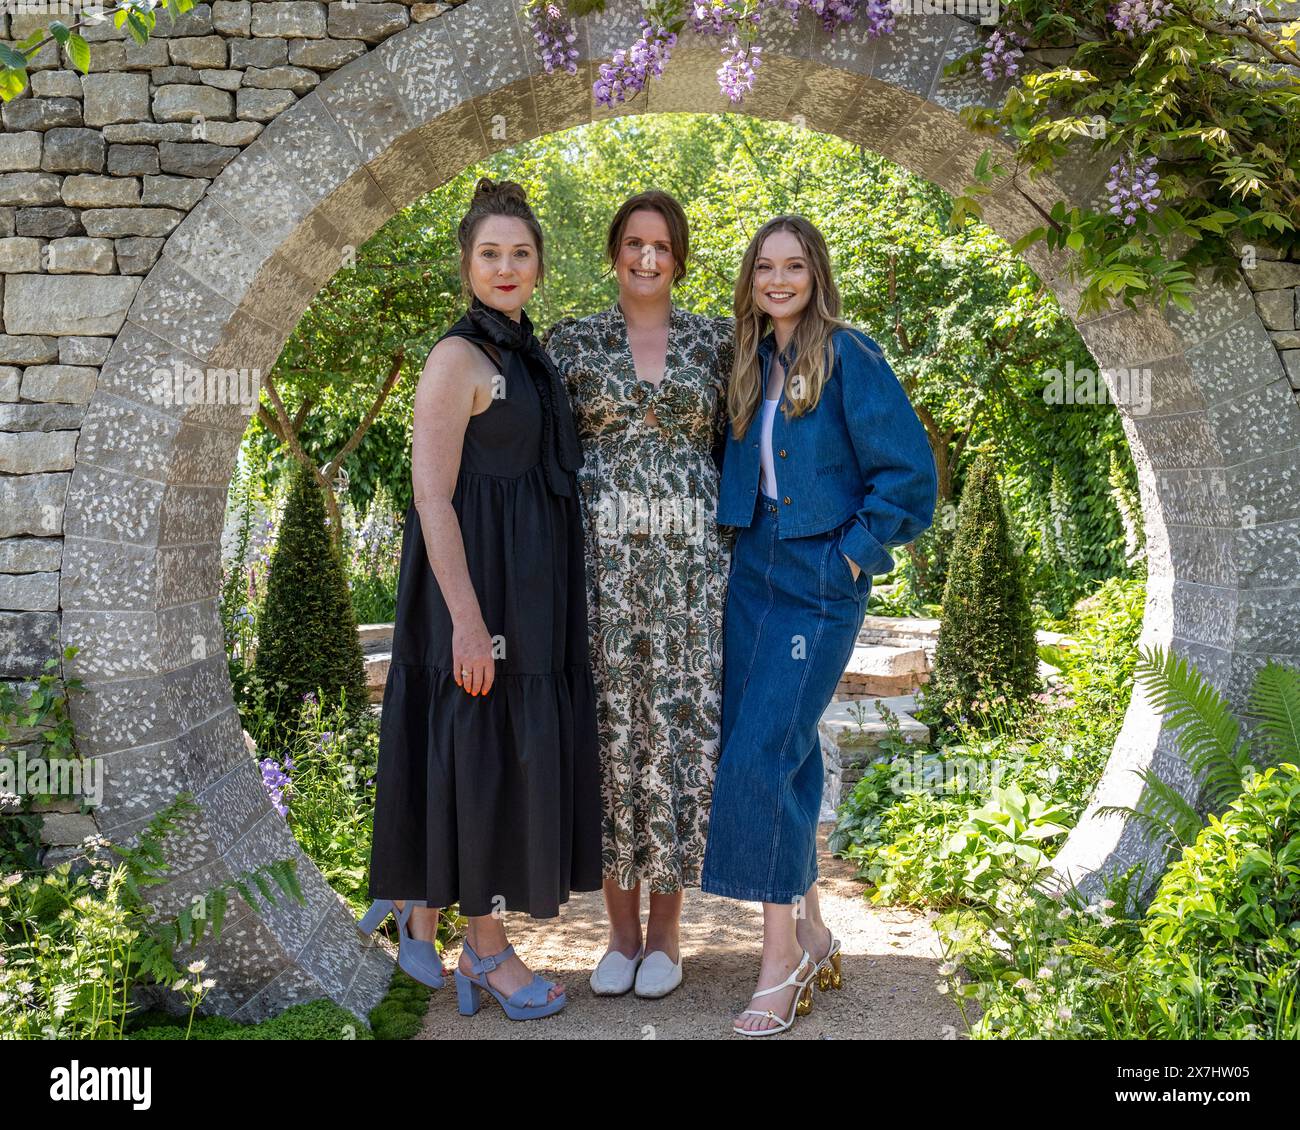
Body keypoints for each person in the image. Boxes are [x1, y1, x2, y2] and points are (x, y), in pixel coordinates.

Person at [362, 177, 602, 1022]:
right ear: (465, 265)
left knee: (491, 755)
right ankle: (485, 951)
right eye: (489, 253)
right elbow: (433, 498)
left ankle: (422, 902)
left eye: (521, 253)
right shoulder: (455, 358)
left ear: (539, 266)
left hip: (526, 591)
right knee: (477, 753)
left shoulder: (525, 353)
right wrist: (469, 621)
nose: (506, 266)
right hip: (473, 592)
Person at [701, 214, 938, 1036]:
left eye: (793, 266)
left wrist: (855, 553)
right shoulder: (749, 357)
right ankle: (812, 929)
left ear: (815, 273)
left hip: (818, 580)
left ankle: (780, 964)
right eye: (764, 266)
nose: (778, 279)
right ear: (750, 278)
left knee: (760, 754)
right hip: (751, 574)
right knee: (786, 754)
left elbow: (910, 477)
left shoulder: (849, 353)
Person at [543, 191, 734, 999]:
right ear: (614, 251)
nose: (647, 258)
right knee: (614, 739)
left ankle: (667, 933)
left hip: (693, 577)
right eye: (633, 243)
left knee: (679, 737)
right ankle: (619, 936)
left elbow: (751, 444)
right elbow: (541, 454)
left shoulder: (719, 342)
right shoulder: (572, 342)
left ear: (680, 256)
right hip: (601, 575)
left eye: (662, 245)